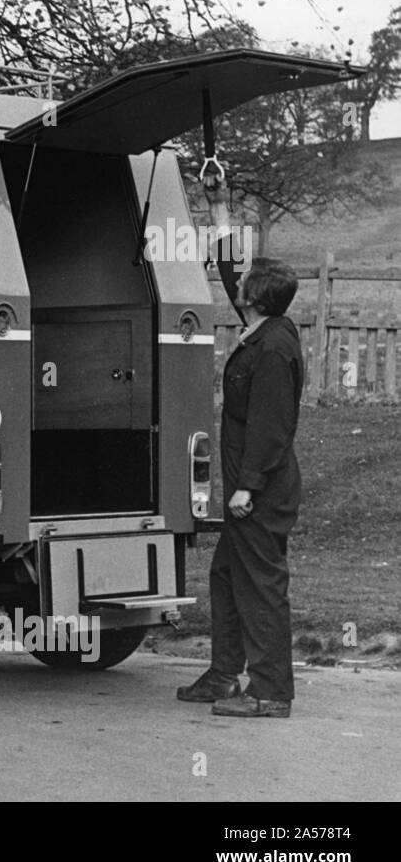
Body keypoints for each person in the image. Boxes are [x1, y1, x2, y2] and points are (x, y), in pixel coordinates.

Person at [177, 260, 303, 718]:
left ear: (254, 299)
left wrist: (247, 488)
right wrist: (221, 209)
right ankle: (224, 676)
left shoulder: (270, 349)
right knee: (228, 577)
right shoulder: (268, 328)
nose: (238, 286)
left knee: (261, 588)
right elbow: (234, 277)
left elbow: (271, 427)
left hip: (261, 492)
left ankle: (270, 693)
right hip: (255, 488)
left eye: (244, 284)